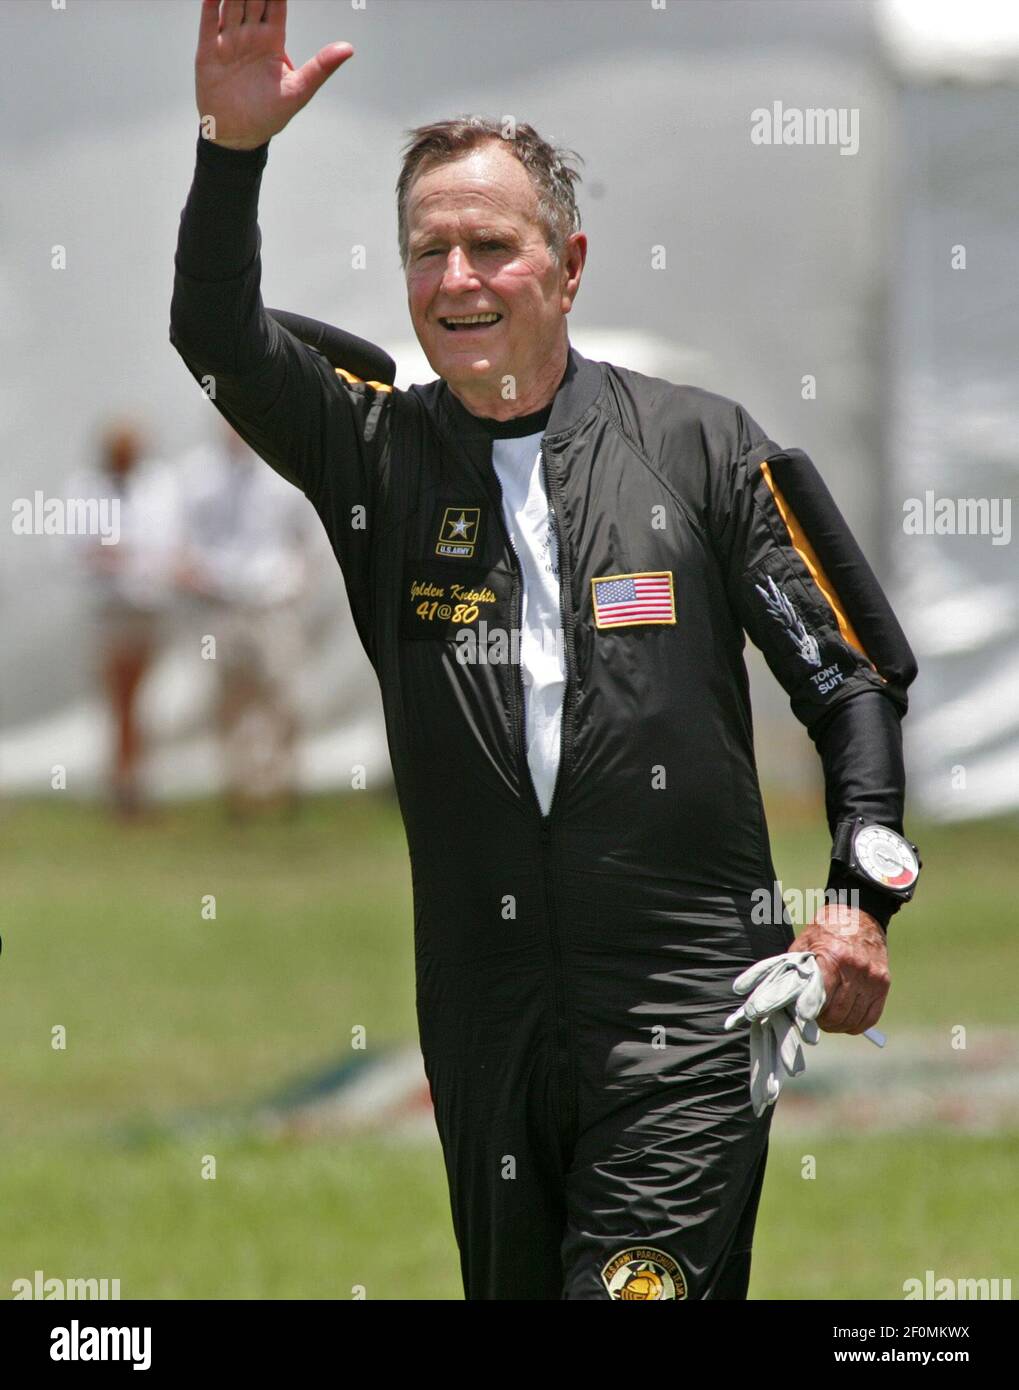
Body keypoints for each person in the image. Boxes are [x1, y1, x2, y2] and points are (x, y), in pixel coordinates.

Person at [169, 0, 922, 1300]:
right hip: (482, 1015)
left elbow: (848, 676)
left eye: (489, 247)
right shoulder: (379, 459)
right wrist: (230, 150)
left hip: (687, 998)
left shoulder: (697, 446)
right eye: (426, 252)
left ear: (566, 264)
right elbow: (218, 339)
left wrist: (857, 902)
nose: (455, 279)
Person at [172, 416, 314, 818]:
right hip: (221, 605)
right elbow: (184, 537)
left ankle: (285, 787)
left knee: (285, 698)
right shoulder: (198, 475)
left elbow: (307, 540)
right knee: (230, 701)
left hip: (273, 606)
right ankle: (239, 790)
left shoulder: (283, 473)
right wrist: (193, 573)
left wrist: (296, 583)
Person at [66, 418, 179, 819]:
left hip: (148, 605)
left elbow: (168, 543)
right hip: (111, 608)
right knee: (121, 697)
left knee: (141, 696)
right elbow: (76, 548)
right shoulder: (86, 489)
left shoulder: (159, 485)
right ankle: (124, 780)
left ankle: (137, 778)